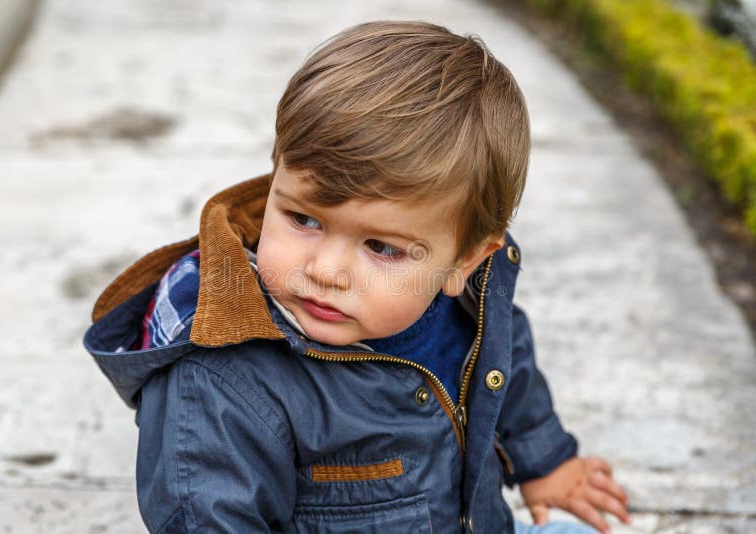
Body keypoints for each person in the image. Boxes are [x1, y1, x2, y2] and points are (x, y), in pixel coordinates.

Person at [83, 20, 631, 533]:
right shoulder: (221, 383)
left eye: (381, 248)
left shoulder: (471, 307)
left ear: (464, 262)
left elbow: (507, 362)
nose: (324, 271)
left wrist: (545, 463)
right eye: (303, 219)